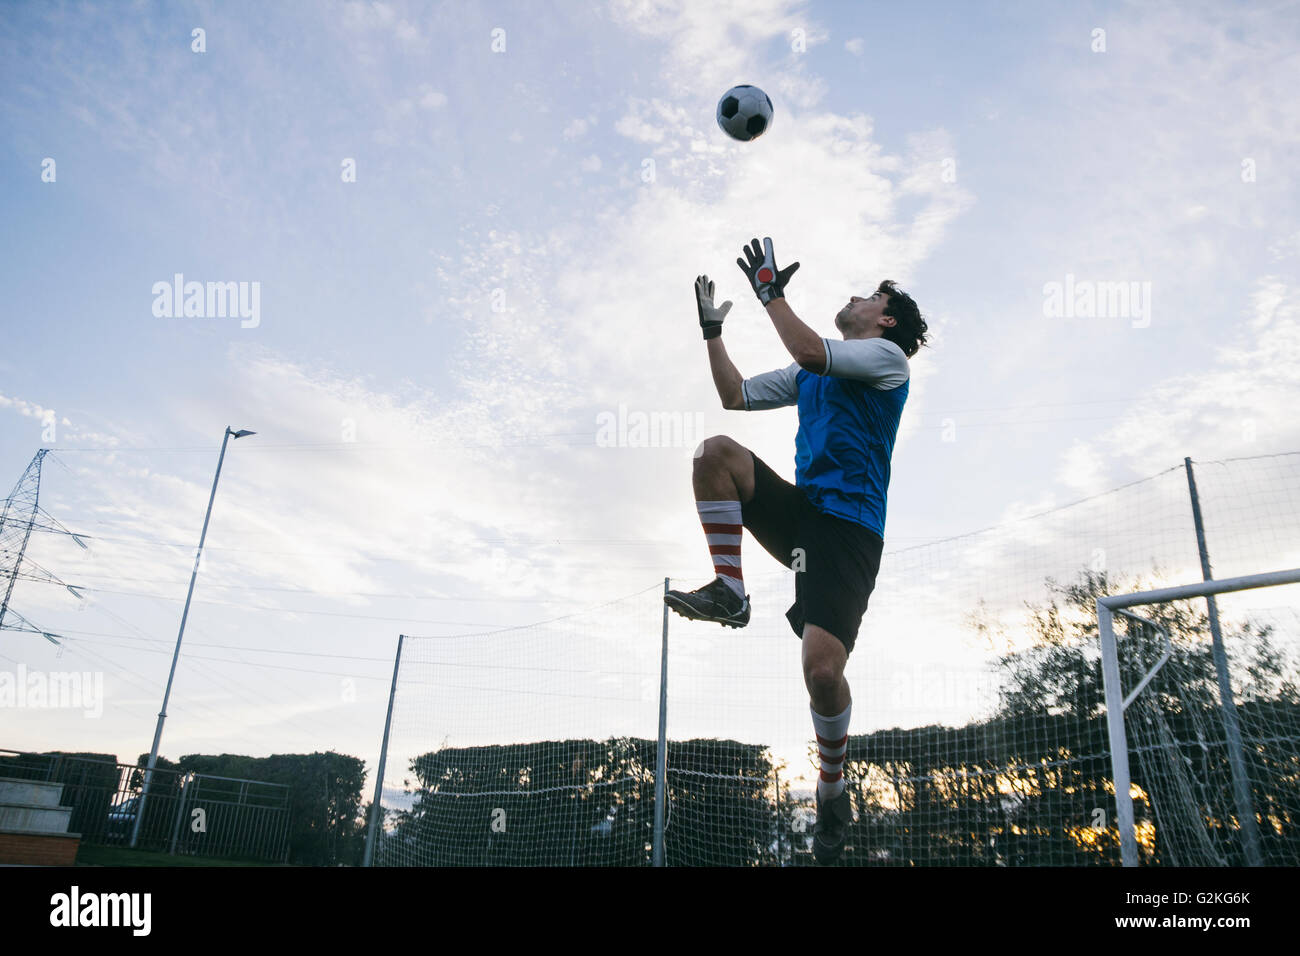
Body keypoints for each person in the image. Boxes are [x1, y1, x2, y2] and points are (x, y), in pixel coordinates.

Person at [664, 237, 926, 864]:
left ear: (886, 319)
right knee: (715, 454)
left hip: (848, 534)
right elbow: (736, 394)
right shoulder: (814, 370)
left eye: (870, 295)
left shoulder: (887, 358)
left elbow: (809, 347)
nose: (857, 296)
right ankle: (729, 589)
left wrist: (772, 294)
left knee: (822, 673)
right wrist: (711, 333)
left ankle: (832, 790)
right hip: (804, 515)